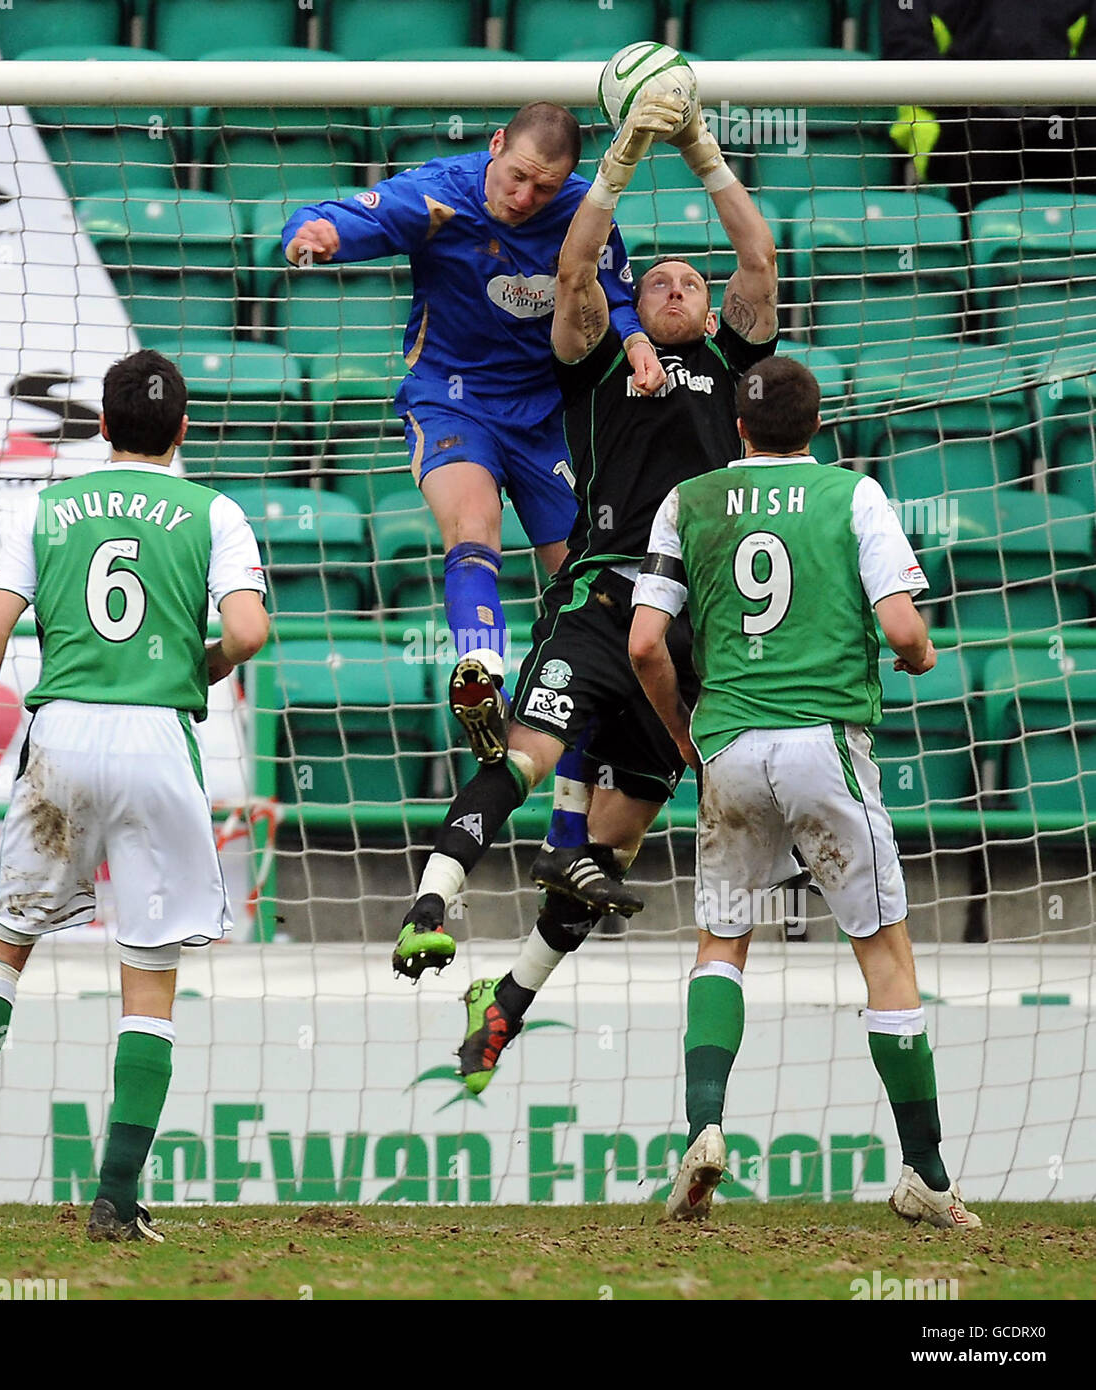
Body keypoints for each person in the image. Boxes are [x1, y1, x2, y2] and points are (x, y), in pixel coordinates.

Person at [392, 81, 780, 1106]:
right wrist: (612, 173)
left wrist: (700, 151)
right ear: (633, 307)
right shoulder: (606, 362)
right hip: (605, 597)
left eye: (688, 280)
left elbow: (756, 259)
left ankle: (506, 1005)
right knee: (524, 754)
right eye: (654, 277)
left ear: (708, 311)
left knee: (608, 850)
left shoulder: (733, 366)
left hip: (695, 629)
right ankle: (431, 901)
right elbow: (575, 271)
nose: (674, 281)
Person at [0, 350, 270, 1242]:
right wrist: (206, 662)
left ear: (101, 426)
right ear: (182, 431)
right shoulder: (213, 511)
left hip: (61, 736)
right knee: (147, 980)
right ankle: (113, 1200)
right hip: (157, 742)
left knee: (0, 953)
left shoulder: (44, 507)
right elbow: (250, 631)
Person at [628, 355, 982, 1230]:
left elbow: (643, 645)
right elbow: (902, 628)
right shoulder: (852, 495)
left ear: (737, 428)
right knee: (883, 955)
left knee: (722, 940)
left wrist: (685, 734)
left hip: (730, 745)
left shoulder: (689, 499)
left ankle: (704, 1128)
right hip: (824, 741)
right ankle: (926, 1176)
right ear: (814, 426)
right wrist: (917, 655)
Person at [282, 102, 661, 863]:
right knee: (472, 523)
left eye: (542, 186)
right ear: (494, 147)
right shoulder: (441, 194)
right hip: (451, 396)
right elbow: (349, 213)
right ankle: (480, 668)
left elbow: (615, 292)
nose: (525, 198)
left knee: (591, 603)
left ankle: (566, 834)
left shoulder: (582, 209)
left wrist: (637, 339)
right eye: (517, 177)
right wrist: (318, 233)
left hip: (548, 414)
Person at [883, 0, 1096, 215]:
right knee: (987, 136)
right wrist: (974, 94)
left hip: (1054, 122)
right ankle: (970, 244)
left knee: (1087, 133)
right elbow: (906, 51)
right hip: (954, 120)